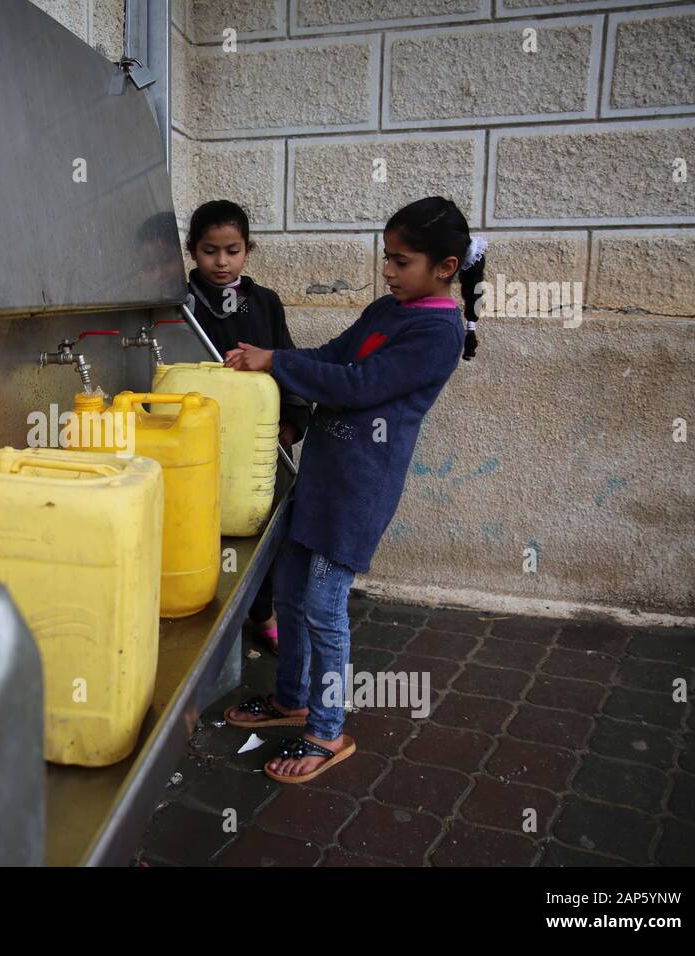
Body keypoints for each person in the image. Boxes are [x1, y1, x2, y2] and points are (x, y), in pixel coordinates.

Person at [221, 196, 485, 784]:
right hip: (322, 474)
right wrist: (273, 361)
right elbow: (332, 358)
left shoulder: (437, 332)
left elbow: (360, 385)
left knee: (323, 608)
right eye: (386, 258)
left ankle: (326, 729)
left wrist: (277, 363)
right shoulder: (385, 310)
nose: (387, 271)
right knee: (288, 592)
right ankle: (291, 700)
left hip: (360, 489)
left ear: (444, 267)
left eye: (401, 261)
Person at [183, 200, 310, 653]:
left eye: (232, 250)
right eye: (210, 251)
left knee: (263, 528)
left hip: (261, 444)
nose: (221, 262)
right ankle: (206, 608)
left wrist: (292, 425)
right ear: (191, 250)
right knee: (201, 524)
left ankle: (263, 612)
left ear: (248, 250)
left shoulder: (265, 303)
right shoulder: (180, 305)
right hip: (197, 443)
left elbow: (288, 362)